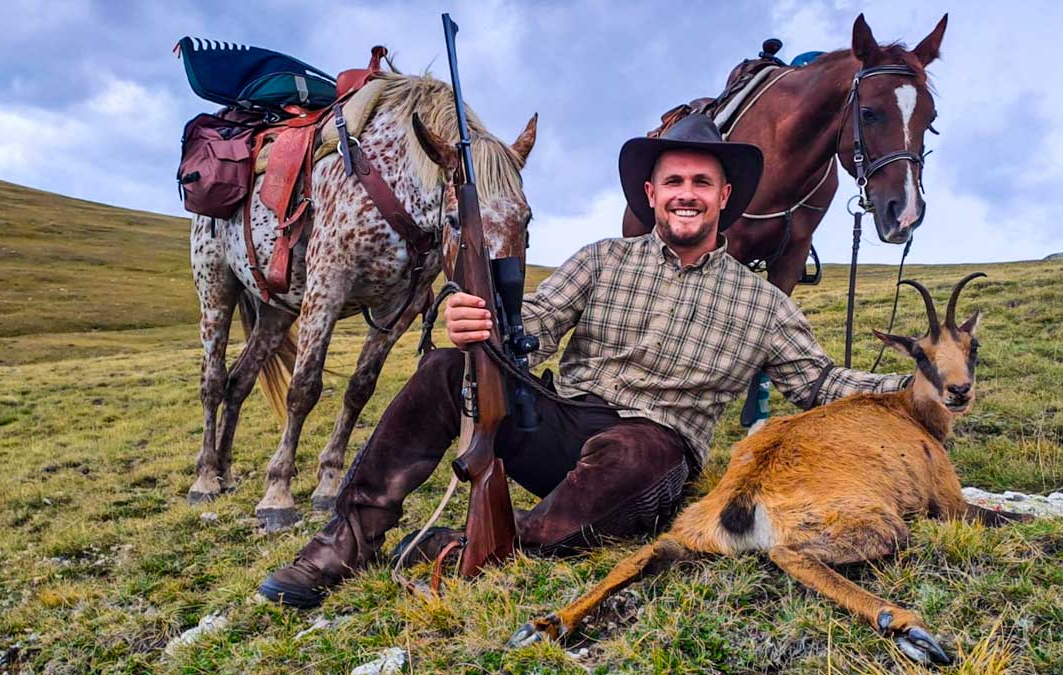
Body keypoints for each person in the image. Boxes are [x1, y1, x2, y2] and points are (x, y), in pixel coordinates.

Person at [259, 114, 908, 608]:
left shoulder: (762, 302)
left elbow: (819, 381)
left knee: (633, 451)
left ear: (722, 195)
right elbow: (534, 322)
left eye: (701, 183)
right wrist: (479, 324)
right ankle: (343, 543)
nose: (686, 193)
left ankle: (500, 547)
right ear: (652, 193)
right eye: (674, 181)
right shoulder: (601, 259)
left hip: (652, 451)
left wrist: (913, 386)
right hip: (562, 423)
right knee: (438, 371)